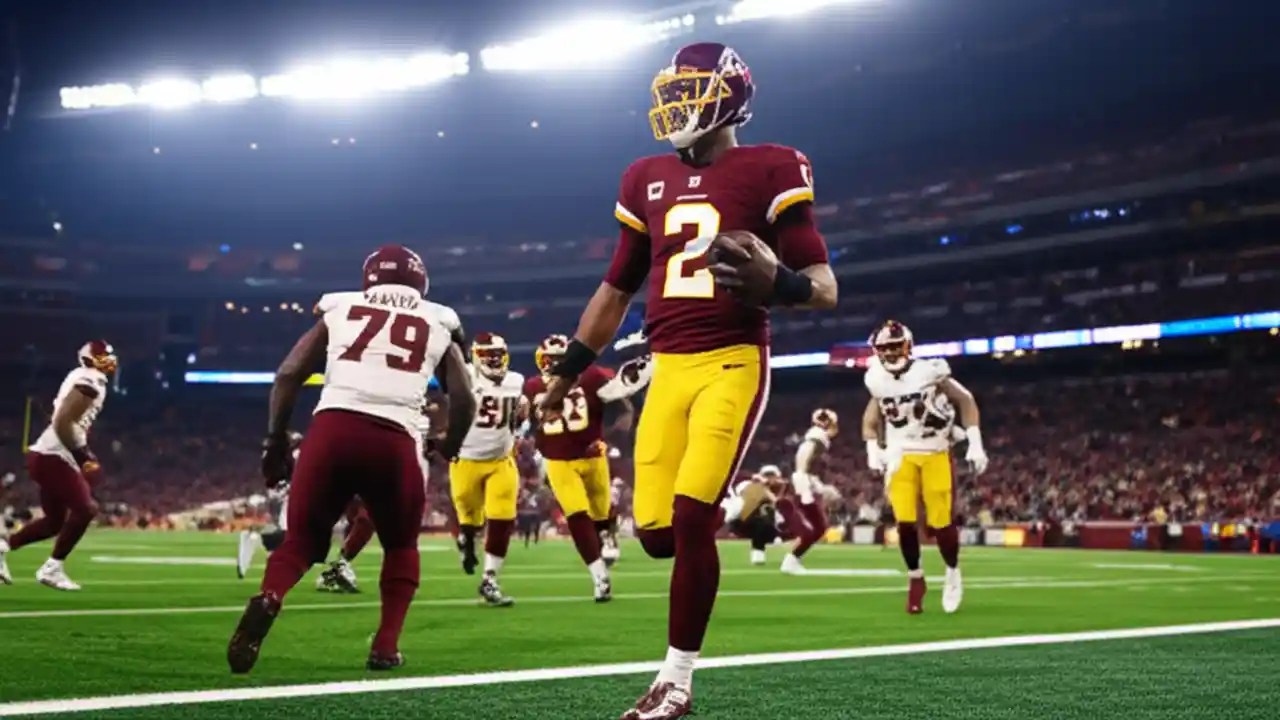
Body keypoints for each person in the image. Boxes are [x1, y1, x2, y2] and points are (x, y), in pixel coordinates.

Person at [536, 41, 838, 719]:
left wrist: (781, 283)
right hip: (667, 368)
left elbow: (824, 289)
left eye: (690, 91)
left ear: (732, 95)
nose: (676, 105)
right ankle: (743, 506)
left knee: (692, 521)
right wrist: (569, 370)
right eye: (671, 92)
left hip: (732, 360)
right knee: (657, 535)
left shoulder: (771, 167)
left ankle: (676, 682)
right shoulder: (644, 174)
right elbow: (616, 289)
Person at [226, 244, 475, 673]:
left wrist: (275, 442)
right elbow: (465, 398)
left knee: (302, 539)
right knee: (400, 545)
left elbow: (288, 374)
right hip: (394, 438)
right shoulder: (438, 319)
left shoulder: (341, 308)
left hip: (333, 430)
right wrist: (449, 445)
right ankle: (385, 645)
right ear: (421, 282)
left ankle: (269, 597)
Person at [862, 320, 988, 615]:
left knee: (940, 520)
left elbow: (965, 399)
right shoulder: (876, 378)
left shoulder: (928, 371)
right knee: (904, 522)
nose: (892, 354)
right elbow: (871, 417)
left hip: (934, 450)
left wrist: (975, 440)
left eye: (896, 347)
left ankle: (953, 571)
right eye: (886, 348)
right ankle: (916, 579)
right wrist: (872, 446)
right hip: (900, 453)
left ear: (908, 346)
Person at [524, 336, 652, 602]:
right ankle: (599, 575)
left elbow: (620, 403)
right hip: (559, 460)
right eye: (551, 360)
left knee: (601, 514)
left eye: (559, 360)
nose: (555, 365)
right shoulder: (542, 385)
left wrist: (614, 429)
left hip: (592, 455)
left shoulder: (587, 378)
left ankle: (607, 537)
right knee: (577, 514)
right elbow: (620, 398)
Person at [0, 341, 117, 590]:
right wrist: (82, 456)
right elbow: (63, 421)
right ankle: (52, 568)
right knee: (86, 509)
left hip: (49, 453)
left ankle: (3, 546)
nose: (109, 361)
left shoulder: (82, 375)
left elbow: (67, 421)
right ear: (88, 358)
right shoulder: (90, 379)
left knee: (54, 522)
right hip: (54, 455)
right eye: (102, 356)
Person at [449, 332, 524, 607]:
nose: (493, 360)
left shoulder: (516, 381)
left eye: (498, 355)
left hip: (501, 460)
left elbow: (520, 410)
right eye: (487, 355)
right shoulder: (463, 375)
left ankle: (490, 579)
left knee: (503, 518)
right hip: (466, 459)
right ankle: (467, 541)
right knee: (471, 520)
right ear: (474, 356)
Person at [780, 408, 841, 575]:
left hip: (805, 482)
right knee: (812, 528)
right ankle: (790, 561)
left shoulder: (816, 437)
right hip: (801, 484)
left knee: (819, 527)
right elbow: (804, 456)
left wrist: (818, 486)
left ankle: (793, 560)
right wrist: (803, 482)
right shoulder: (817, 437)